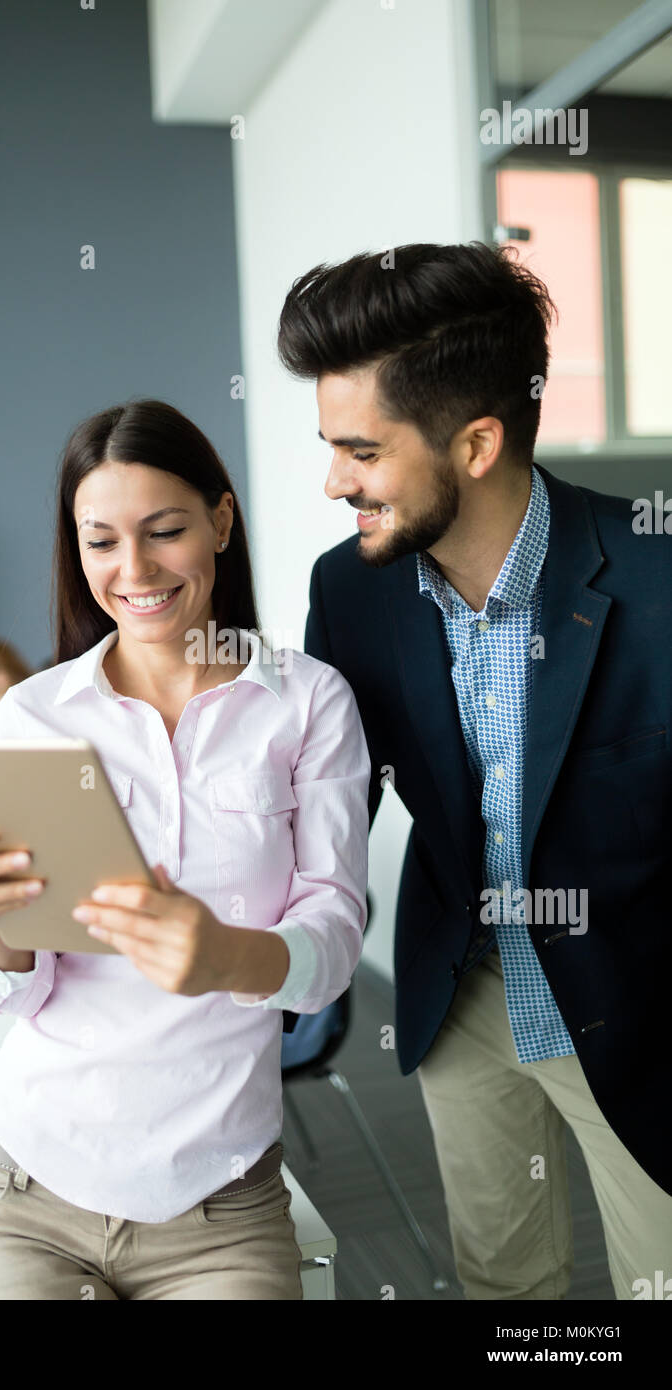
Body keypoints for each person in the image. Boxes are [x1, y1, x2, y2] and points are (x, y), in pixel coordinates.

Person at [277, 241, 672, 1300]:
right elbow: (325, 800)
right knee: (501, 1289)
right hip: (462, 994)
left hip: (642, 1008)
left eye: (359, 451)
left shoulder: (656, 576)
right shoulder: (351, 589)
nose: (332, 482)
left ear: (477, 442)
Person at [0, 398, 369, 1300]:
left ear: (222, 522)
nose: (134, 571)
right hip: (21, 1184)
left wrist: (224, 954)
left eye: (165, 531)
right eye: (101, 543)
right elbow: (23, 977)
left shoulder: (307, 703)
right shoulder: (35, 715)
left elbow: (332, 950)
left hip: (218, 1210)